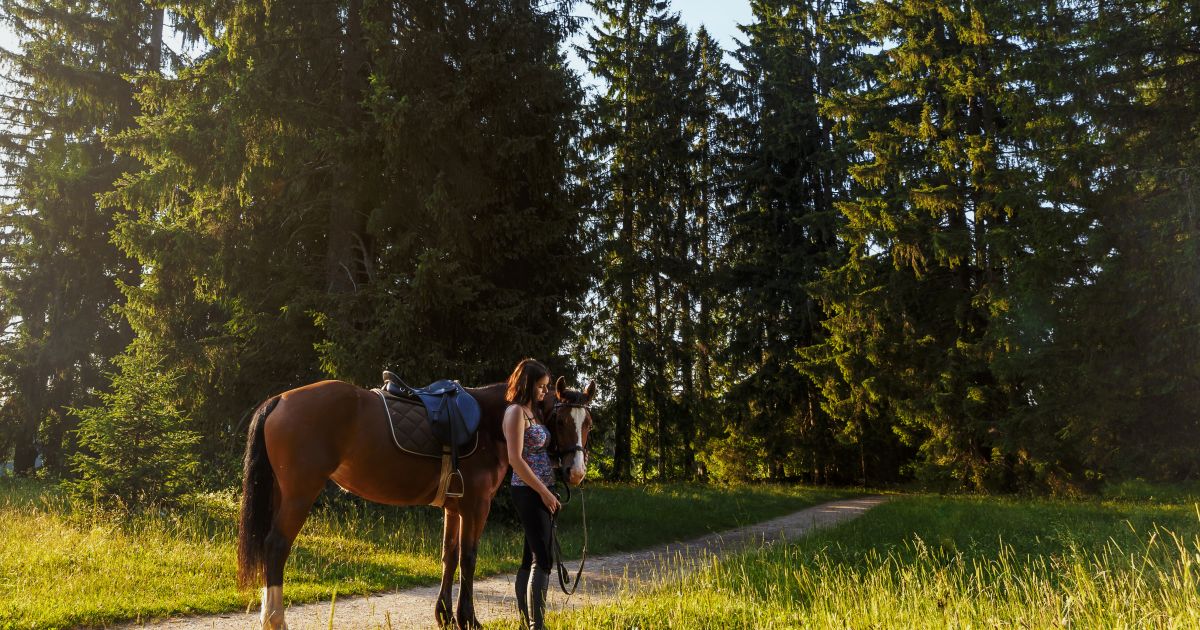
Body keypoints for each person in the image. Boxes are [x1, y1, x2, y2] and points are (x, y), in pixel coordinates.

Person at [502, 358, 561, 630]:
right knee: (543, 557)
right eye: (540, 386)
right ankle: (538, 625)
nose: (544, 392)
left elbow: (538, 453)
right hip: (527, 490)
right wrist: (544, 493)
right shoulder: (515, 412)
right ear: (527, 384)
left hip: (543, 488)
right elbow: (515, 459)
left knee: (531, 556)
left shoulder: (534, 413)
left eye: (546, 387)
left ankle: (528, 622)